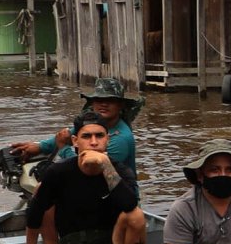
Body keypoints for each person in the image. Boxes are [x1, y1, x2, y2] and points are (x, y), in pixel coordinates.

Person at [18, 110, 163, 244]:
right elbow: (35, 212)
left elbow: (130, 205)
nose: (93, 142)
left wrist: (105, 165)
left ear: (107, 139)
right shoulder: (59, 173)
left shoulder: (118, 169)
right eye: (87, 137)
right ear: (75, 141)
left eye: (99, 136)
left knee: (136, 216)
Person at [8, 76, 142, 180]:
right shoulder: (93, 124)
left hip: (115, 198)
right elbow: (67, 134)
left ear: (120, 106)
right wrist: (40, 147)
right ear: (92, 103)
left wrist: (63, 149)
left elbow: (87, 171)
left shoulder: (120, 139)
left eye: (110, 100)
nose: (104, 104)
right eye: (99, 100)